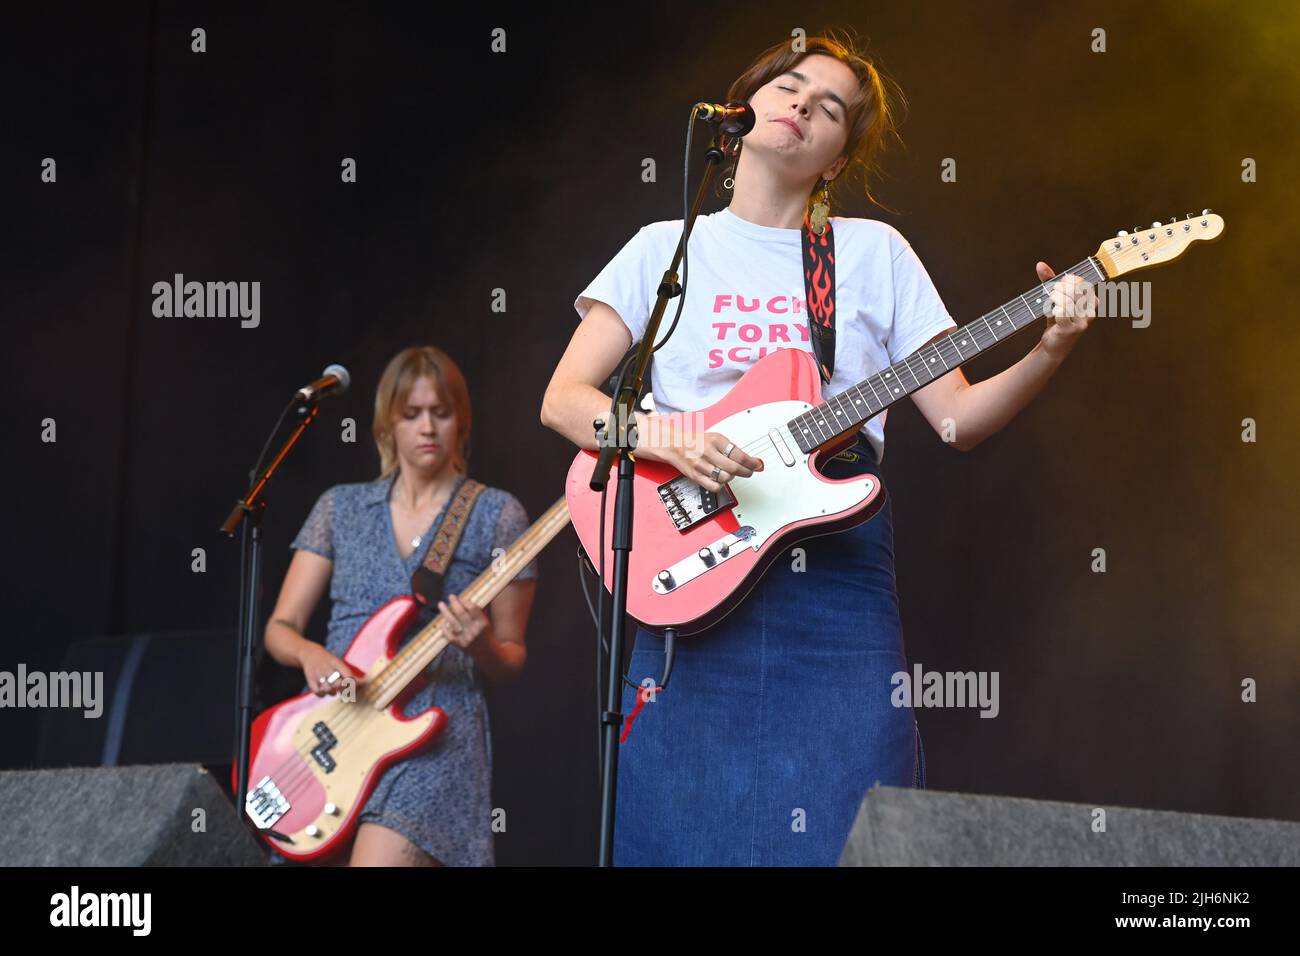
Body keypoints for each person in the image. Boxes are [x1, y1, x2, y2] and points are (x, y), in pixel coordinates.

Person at [540, 32, 1096, 865]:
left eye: (829, 106)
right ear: (746, 106)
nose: (801, 105)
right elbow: (564, 401)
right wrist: (668, 437)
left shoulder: (872, 255)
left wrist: (1048, 349)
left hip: (833, 578)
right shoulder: (666, 247)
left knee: (851, 818)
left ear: (837, 160)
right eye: (789, 86)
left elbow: (957, 420)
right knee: (681, 821)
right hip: (693, 560)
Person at [265, 345, 538, 866]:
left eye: (441, 412)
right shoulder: (340, 508)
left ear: (462, 421)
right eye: (411, 415)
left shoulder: (495, 514)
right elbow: (281, 627)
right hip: (334, 733)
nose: (428, 427)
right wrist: (310, 656)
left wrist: (480, 646)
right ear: (387, 425)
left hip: (432, 740)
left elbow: (512, 657)